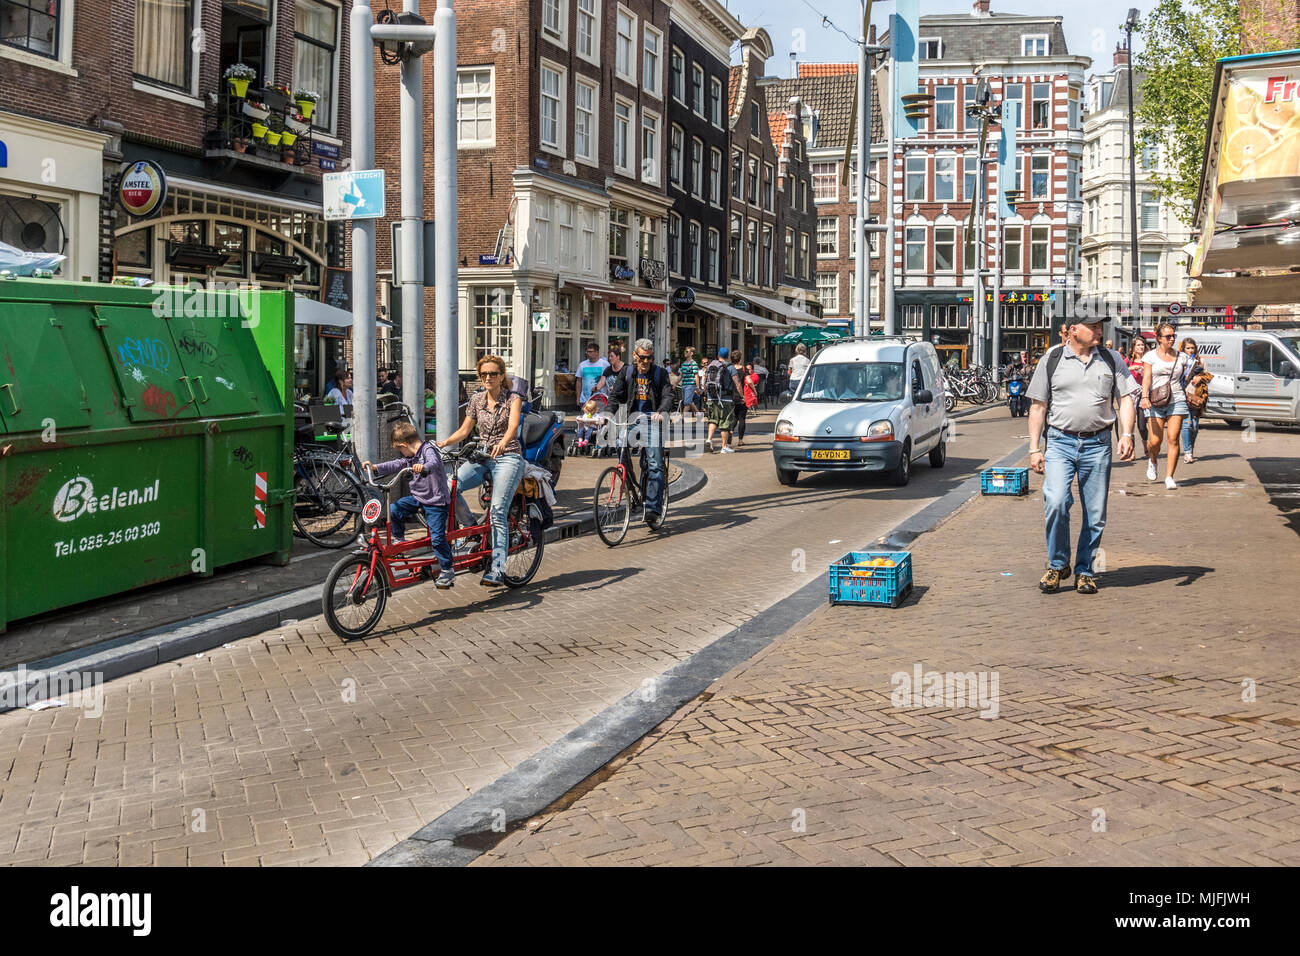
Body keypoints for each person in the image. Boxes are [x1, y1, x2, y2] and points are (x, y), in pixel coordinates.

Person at [1027, 317, 1137, 595]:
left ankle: (1085, 570)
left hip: (1098, 444)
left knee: (1096, 513)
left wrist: (1127, 434)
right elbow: (1038, 407)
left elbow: (1126, 399)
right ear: (1074, 330)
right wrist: (1034, 448)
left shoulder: (1111, 359)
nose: (1099, 331)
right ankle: (1058, 564)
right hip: (1060, 442)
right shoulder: (1051, 359)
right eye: (1094, 327)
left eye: (1101, 326)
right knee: (1056, 501)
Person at [436, 354, 524, 587]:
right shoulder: (476, 400)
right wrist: (444, 443)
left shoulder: (513, 399)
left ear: (501, 376)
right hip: (482, 457)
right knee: (447, 486)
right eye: (483, 374)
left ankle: (497, 569)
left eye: (492, 374)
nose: (487, 377)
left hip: (508, 457)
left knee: (496, 511)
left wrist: (504, 442)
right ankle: (472, 528)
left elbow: (513, 426)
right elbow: (465, 430)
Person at [362, 422, 455, 589]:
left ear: (404, 444)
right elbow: (397, 464)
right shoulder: (410, 457)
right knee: (394, 509)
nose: (401, 453)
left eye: (400, 449)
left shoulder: (428, 450)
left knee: (438, 538)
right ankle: (399, 540)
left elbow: (433, 462)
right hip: (418, 497)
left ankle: (447, 570)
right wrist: (375, 468)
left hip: (436, 501)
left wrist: (424, 466)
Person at [608, 338, 675, 525]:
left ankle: (653, 508)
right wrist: (606, 414)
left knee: (655, 464)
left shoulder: (660, 374)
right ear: (634, 355)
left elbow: (669, 395)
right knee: (620, 446)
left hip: (653, 422)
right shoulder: (627, 372)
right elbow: (616, 395)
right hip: (633, 421)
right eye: (642, 358)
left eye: (649, 358)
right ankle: (632, 488)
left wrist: (661, 412)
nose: (646, 362)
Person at [1141, 322, 1194, 490]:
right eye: (1168, 336)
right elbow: (1147, 378)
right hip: (1156, 399)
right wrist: (1144, 396)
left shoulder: (1182, 357)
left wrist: (1194, 375)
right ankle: (1153, 460)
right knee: (1155, 441)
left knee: (1173, 438)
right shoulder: (1150, 356)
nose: (1172, 339)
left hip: (1176, 399)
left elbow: (1185, 378)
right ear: (1159, 338)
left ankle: (1170, 476)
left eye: (1173, 336)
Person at [703, 346, 743, 453]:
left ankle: (709, 439)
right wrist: (741, 396)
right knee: (725, 422)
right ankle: (724, 446)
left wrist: (706, 393)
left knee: (713, 419)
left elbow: (704, 380)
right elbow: (737, 383)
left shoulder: (711, 365)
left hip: (712, 397)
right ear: (727, 356)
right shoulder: (730, 367)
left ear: (718, 355)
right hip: (726, 398)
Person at [1178, 337, 1208, 463]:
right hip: (1183, 395)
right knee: (1187, 424)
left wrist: (1200, 378)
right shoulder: (1179, 360)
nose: (1191, 350)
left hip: (1196, 397)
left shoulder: (1200, 361)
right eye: (1188, 348)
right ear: (1183, 349)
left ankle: (1191, 447)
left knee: (1195, 426)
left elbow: (1208, 376)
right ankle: (1187, 452)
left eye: (1192, 348)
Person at [1125, 337, 1149, 448]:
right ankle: (1131, 450)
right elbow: (1119, 372)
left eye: (1142, 344)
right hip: (1131, 394)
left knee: (1142, 425)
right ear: (1133, 347)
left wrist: (1146, 371)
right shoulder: (1128, 360)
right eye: (1138, 345)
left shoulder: (1148, 360)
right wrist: (1131, 368)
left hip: (1144, 393)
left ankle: (1145, 444)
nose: (1141, 347)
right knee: (1130, 425)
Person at [575, 342, 609, 408]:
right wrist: (578, 397)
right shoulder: (582, 365)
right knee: (585, 418)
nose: (588, 353)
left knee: (599, 418)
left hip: (600, 399)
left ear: (597, 352)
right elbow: (579, 382)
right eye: (587, 352)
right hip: (585, 400)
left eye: (590, 352)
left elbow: (609, 380)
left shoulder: (605, 364)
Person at [734, 363, 759, 446]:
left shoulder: (729, 368)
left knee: (734, 417)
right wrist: (755, 392)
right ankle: (740, 440)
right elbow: (750, 382)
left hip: (731, 396)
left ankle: (728, 439)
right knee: (741, 418)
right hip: (742, 396)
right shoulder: (744, 370)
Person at [679, 346, 701, 413]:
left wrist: (697, 387)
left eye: (687, 351)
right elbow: (681, 375)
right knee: (689, 401)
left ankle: (682, 419)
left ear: (691, 353)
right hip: (684, 385)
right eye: (684, 351)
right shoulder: (683, 364)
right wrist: (675, 383)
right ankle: (699, 413)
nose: (685, 353)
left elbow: (696, 376)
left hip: (690, 385)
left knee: (687, 403)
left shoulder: (693, 363)